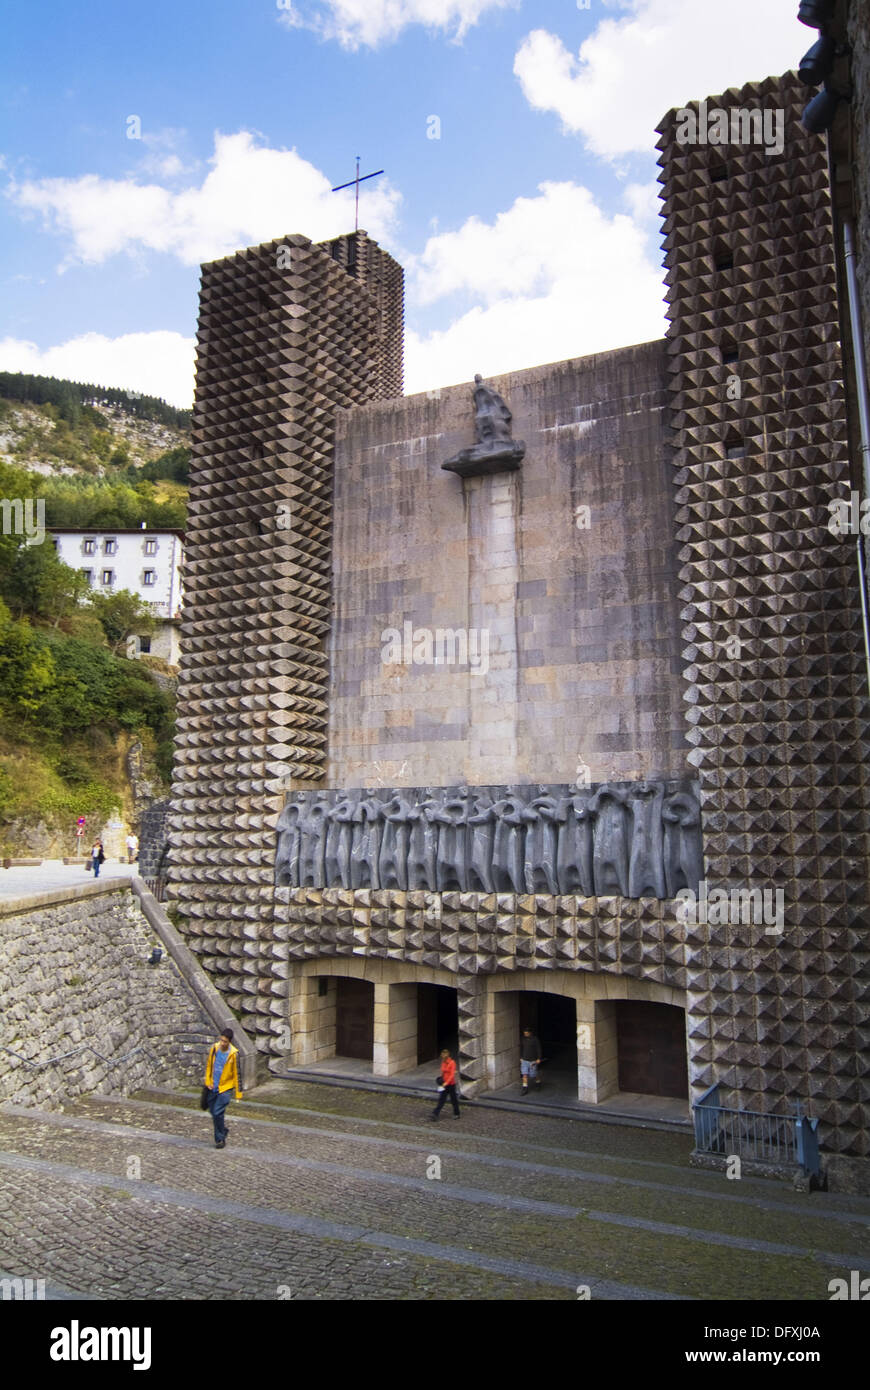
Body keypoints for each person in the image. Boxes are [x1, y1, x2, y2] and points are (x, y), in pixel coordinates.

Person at [204, 1028, 242, 1148]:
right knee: (214, 1112)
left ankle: (220, 1139)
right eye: (221, 1040)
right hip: (213, 1086)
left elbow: (237, 1074)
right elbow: (209, 1065)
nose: (222, 1043)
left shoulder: (234, 1054)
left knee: (217, 1112)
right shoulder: (214, 1048)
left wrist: (238, 1093)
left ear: (229, 1042)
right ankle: (223, 1130)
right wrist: (208, 1081)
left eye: (225, 1041)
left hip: (226, 1087)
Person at [431, 1048, 460, 1120]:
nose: (442, 1058)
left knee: (453, 1100)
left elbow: (451, 1075)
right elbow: (443, 1071)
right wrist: (442, 1080)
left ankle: (457, 1113)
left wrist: (446, 1082)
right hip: (444, 1083)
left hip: (451, 1085)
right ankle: (435, 1114)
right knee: (441, 1099)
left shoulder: (452, 1063)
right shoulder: (443, 1062)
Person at [520, 1027, 542, 1094]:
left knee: (533, 1075)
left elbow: (538, 1049)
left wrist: (539, 1058)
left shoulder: (535, 1039)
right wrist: (521, 1057)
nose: (525, 1035)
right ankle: (525, 1088)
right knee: (524, 1074)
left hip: (532, 1060)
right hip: (524, 1060)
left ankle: (538, 1082)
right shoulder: (523, 1039)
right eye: (525, 1033)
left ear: (530, 1033)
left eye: (527, 1033)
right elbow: (521, 1048)